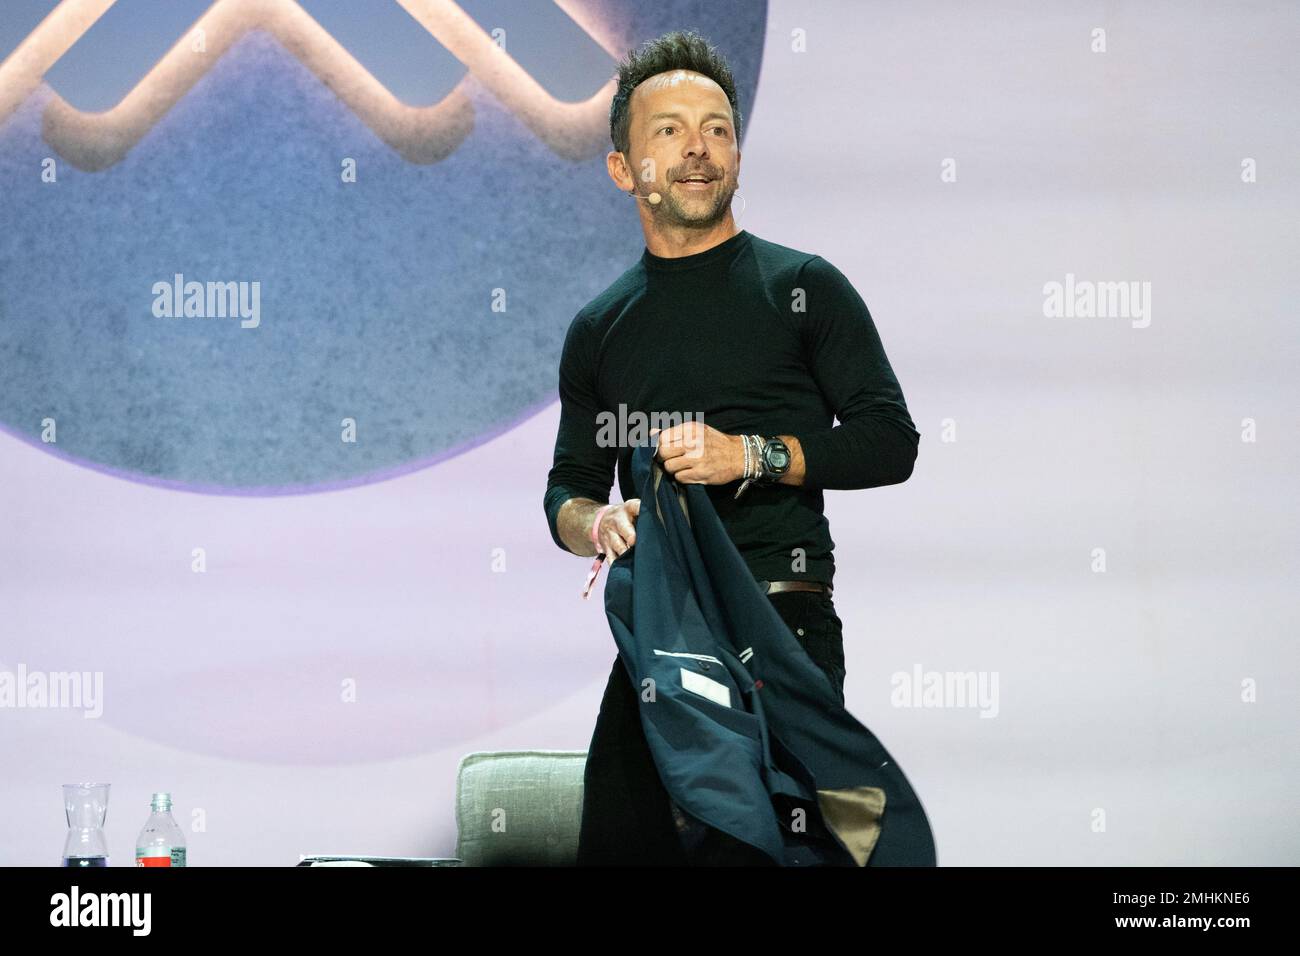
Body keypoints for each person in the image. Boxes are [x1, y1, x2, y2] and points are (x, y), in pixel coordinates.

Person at [542, 30, 920, 865]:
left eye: (717, 127)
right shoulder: (600, 328)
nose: (699, 148)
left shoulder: (804, 288)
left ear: (739, 155)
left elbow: (889, 440)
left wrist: (749, 456)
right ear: (622, 168)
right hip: (662, 637)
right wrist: (596, 524)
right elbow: (565, 490)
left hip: (783, 625)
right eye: (670, 130)